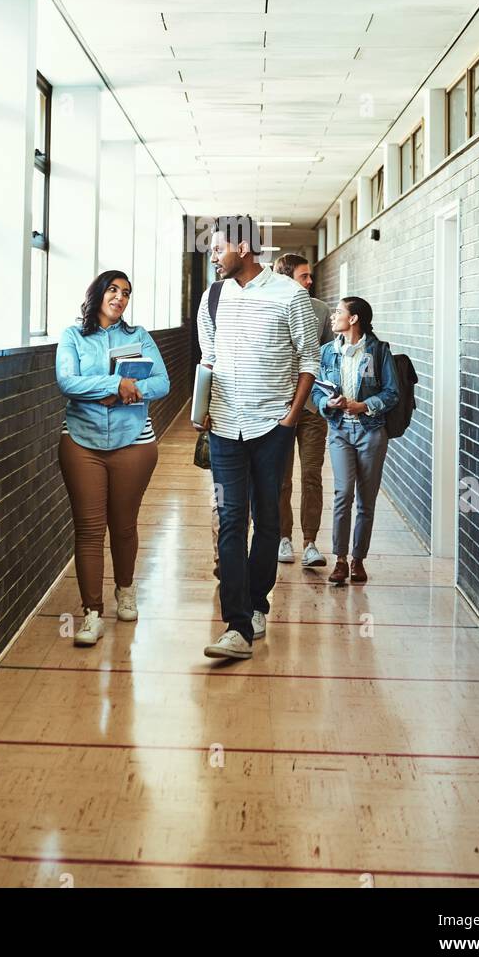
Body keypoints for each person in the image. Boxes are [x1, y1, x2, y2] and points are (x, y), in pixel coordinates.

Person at [195, 216, 320, 659]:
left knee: (267, 520)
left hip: (272, 427)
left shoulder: (289, 296)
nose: (211, 254)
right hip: (226, 428)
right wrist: (201, 406)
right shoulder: (212, 297)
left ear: (244, 247)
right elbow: (208, 358)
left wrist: (290, 418)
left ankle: (256, 601)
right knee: (231, 521)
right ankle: (237, 625)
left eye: (217, 247)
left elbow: (309, 359)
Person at [56, 270, 170, 646]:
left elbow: (162, 383)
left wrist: (125, 391)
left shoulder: (138, 337)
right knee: (89, 529)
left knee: (123, 526)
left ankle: (125, 589)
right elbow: (67, 381)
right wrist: (111, 384)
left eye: (126, 293)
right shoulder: (73, 336)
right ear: (98, 293)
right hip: (82, 443)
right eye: (113, 290)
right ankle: (91, 613)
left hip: (134, 443)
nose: (120, 298)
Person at [311, 296, 398, 586]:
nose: (333, 315)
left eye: (339, 312)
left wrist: (364, 405)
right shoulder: (327, 352)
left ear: (354, 319)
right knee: (343, 493)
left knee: (366, 499)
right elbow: (316, 392)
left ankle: (358, 560)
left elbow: (391, 393)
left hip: (371, 432)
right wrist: (328, 404)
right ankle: (339, 559)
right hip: (340, 432)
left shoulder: (378, 351)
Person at [273, 254, 333, 569]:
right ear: (286, 278)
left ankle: (310, 542)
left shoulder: (321, 311)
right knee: (281, 478)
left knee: (311, 475)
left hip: (312, 408)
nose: (310, 282)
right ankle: (284, 538)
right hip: (279, 408)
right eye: (304, 276)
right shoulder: (271, 306)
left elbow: (329, 358)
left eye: (310, 276)